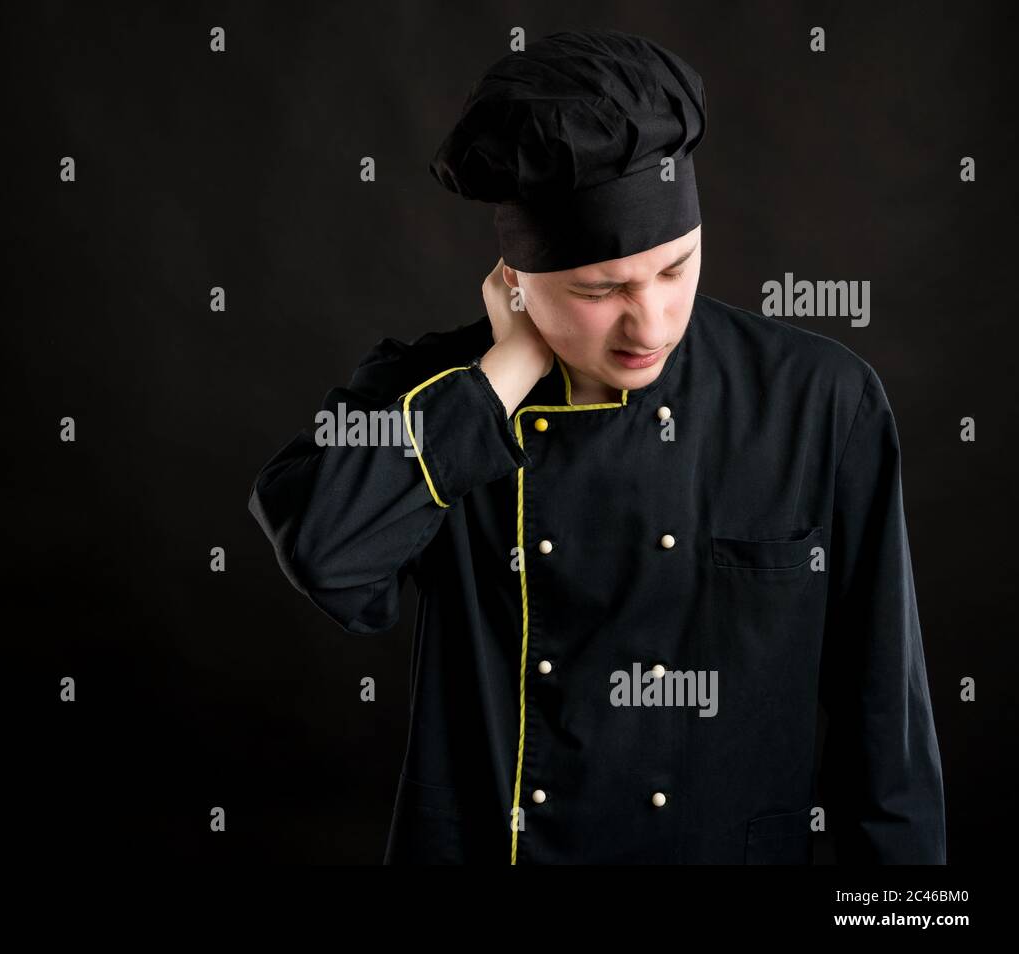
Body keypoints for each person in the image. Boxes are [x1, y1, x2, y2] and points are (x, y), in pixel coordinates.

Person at [248, 29, 946, 864]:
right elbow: (329, 553)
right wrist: (501, 374)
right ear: (515, 276)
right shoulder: (436, 393)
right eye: (599, 289)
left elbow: (888, 737)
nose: (648, 323)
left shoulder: (818, 400)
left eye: (675, 268)